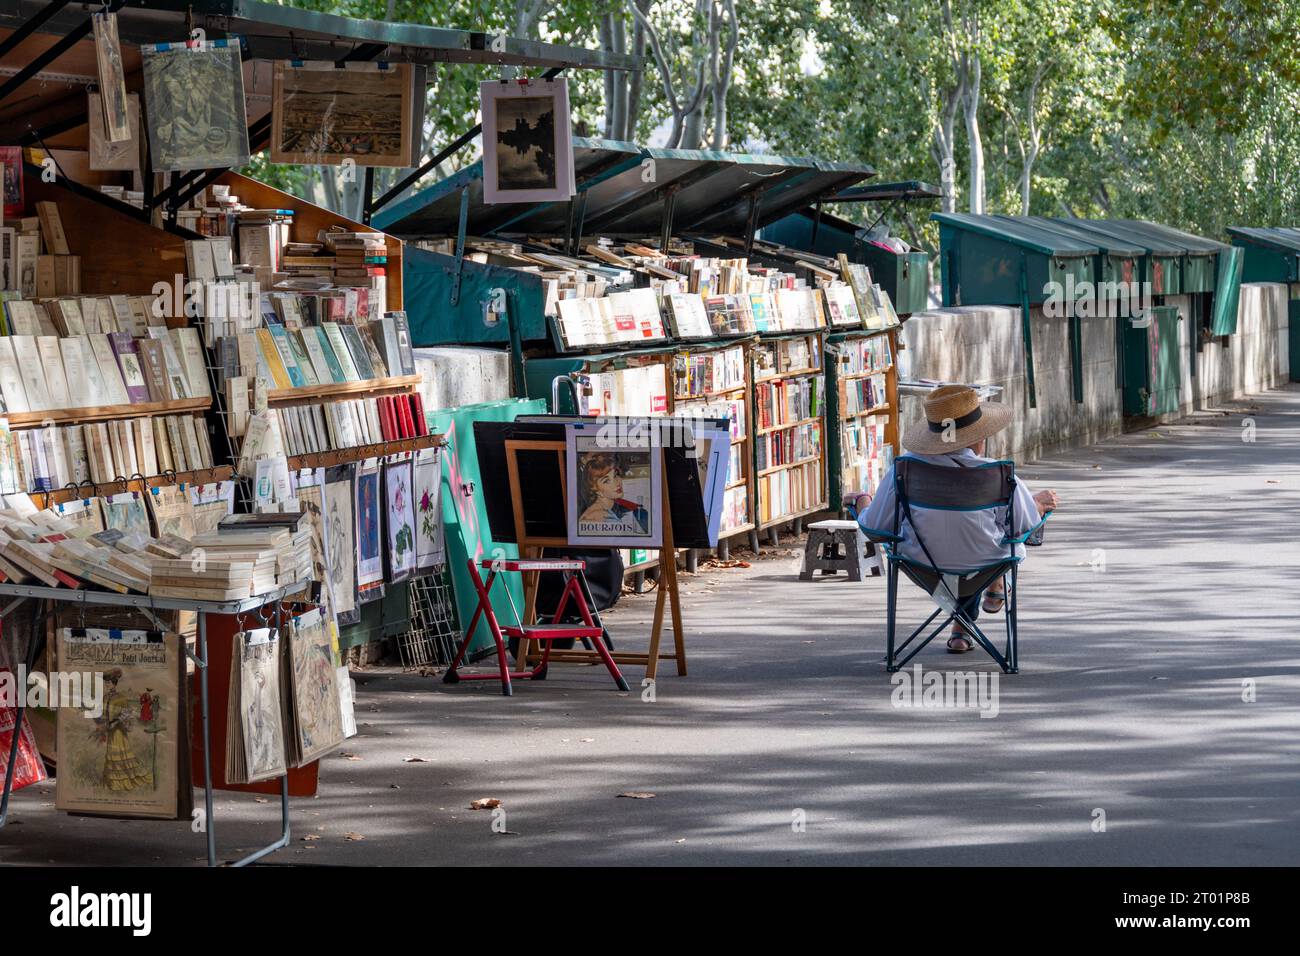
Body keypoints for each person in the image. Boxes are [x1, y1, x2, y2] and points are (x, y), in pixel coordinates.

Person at [853, 384, 1059, 653]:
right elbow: (1023, 525)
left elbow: (875, 528)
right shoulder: (996, 474)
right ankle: (991, 592)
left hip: (922, 565)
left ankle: (961, 627)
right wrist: (1038, 506)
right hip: (986, 564)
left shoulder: (904, 470)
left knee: (956, 549)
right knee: (985, 550)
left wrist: (861, 502)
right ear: (977, 437)